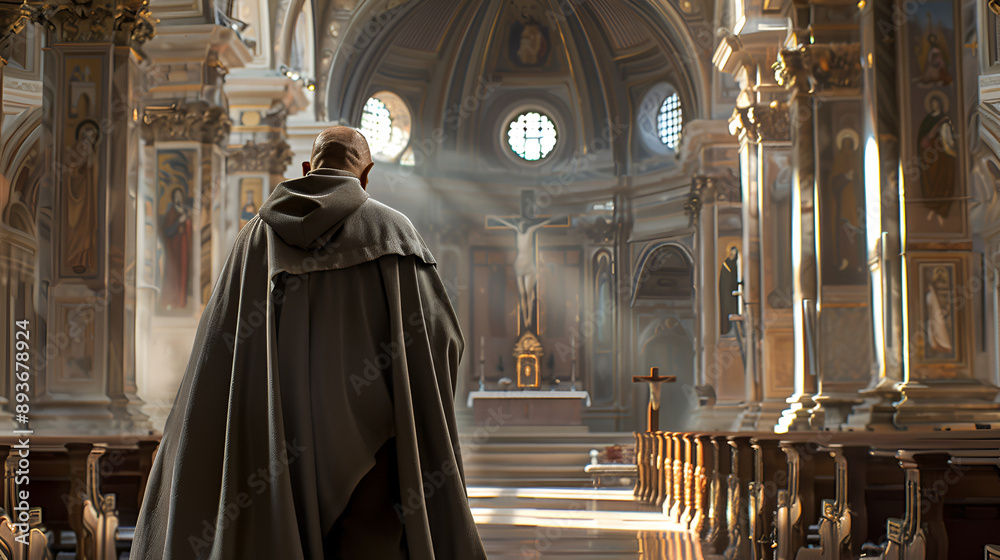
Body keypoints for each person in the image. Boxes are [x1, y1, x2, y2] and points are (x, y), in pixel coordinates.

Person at [131, 126, 487, 560]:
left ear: (307, 166)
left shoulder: (255, 239)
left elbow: (217, 350)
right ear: (366, 173)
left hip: (273, 442)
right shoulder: (394, 233)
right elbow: (442, 339)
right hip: (375, 457)